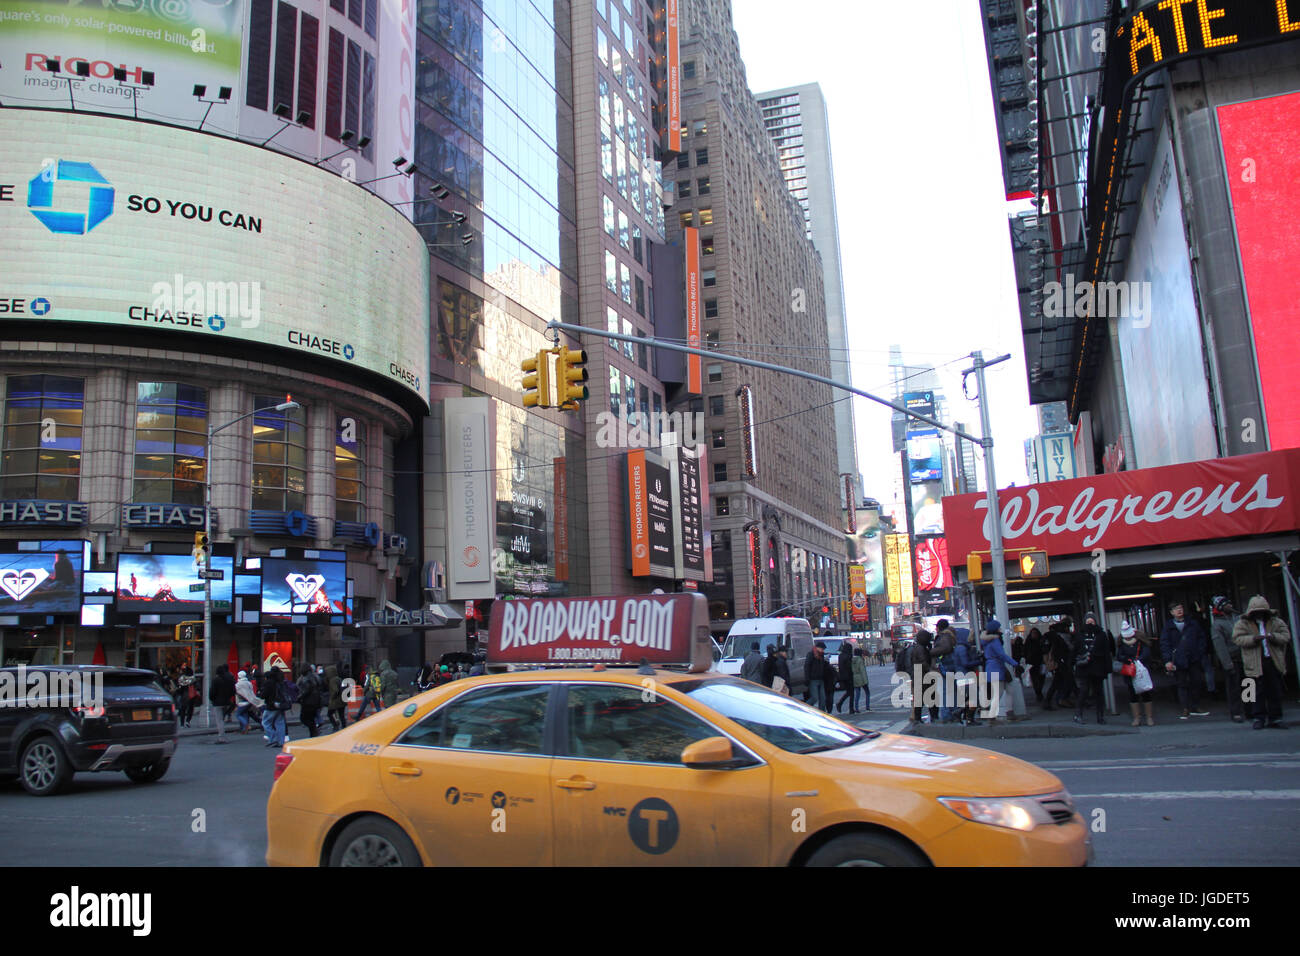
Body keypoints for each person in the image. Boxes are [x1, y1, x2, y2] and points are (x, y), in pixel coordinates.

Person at [1232, 595, 1290, 730]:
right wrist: (1253, 639)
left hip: (1272, 660)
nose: (1259, 614)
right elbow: (1237, 639)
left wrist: (1273, 637)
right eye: (1257, 611)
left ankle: (1276, 717)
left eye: (1262, 611)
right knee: (1255, 691)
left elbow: (1286, 636)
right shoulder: (1243, 623)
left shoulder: (1276, 622)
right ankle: (1258, 717)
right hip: (1253, 661)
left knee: (1274, 690)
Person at [1159, 602, 1211, 719]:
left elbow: (1201, 638)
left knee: (1196, 682)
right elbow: (1164, 644)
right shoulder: (1168, 627)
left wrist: (1199, 652)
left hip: (1193, 658)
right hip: (1178, 659)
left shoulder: (1193, 623)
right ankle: (1185, 708)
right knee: (1181, 684)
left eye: (1181, 608)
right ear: (1171, 612)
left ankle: (1195, 706)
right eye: (1176, 609)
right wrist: (1167, 660)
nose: (1179, 610)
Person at [980, 620, 1027, 722]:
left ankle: (1008, 714)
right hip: (997, 668)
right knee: (1000, 692)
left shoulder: (986, 641)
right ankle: (993, 716)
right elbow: (1002, 655)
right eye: (999, 627)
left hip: (993, 668)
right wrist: (1015, 664)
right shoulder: (995, 641)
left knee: (1007, 689)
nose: (1000, 629)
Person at [1210, 596, 1246, 723]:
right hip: (1233, 659)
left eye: (1230, 603)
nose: (1230, 605)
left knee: (1249, 684)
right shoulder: (1218, 625)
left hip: (1246, 657)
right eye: (1226, 604)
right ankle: (1236, 712)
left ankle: (1251, 708)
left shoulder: (1239, 618)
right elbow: (1220, 647)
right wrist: (1227, 663)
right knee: (1234, 687)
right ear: (1221, 608)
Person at [1072, 612, 1113, 725]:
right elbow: (1075, 651)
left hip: (1098, 667)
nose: (1090, 623)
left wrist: (1108, 668)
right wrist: (1071, 664)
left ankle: (1100, 716)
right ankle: (1078, 714)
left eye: (1092, 621)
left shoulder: (1101, 635)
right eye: (1088, 621)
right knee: (1084, 691)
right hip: (1084, 668)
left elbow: (1106, 652)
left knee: (1098, 692)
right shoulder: (1080, 635)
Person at [1116, 622, 1154, 726]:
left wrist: (1136, 661)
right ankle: (1137, 717)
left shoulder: (1140, 642)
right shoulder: (1122, 644)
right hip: (1130, 671)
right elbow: (1119, 656)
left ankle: (1148, 717)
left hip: (1140, 670)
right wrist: (1129, 660)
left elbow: (1146, 653)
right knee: (1133, 694)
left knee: (1145, 692)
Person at [953, 627, 983, 725]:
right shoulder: (962, 648)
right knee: (974, 699)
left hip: (961, 676)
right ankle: (962, 713)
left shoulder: (958, 648)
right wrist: (979, 661)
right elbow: (965, 663)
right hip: (966, 676)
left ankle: (967, 717)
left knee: (970, 698)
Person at [931, 619, 958, 722]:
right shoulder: (950, 635)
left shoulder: (944, 637)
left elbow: (944, 649)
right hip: (950, 666)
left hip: (945, 666)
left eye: (936, 626)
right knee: (951, 690)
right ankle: (954, 712)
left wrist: (932, 652)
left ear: (939, 627)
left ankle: (947, 715)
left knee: (945, 691)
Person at [909, 630, 938, 725]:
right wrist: (931, 670)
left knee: (920, 699)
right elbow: (923, 662)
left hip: (918, 675)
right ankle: (933, 717)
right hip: (923, 676)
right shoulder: (921, 649)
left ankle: (918, 718)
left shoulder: (918, 648)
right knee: (930, 697)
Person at [261, 667, 288, 747]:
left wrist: (260, 694)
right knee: (280, 723)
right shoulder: (281, 681)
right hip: (281, 704)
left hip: (271, 705)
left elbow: (264, 695)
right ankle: (281, 741)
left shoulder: (269, 682)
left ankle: (273, 738)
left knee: (265, 722)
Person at [209, 664, 236, 742]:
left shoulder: (215, 680)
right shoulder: (229, 679)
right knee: (222, 718)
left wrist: (212, 699)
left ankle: (221, 737)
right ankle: (222, 735)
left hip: (217, 702)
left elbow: (212, 692)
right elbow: (233, 691)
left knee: (219, 720)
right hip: (227, 701)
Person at [234, 670, 264, 734]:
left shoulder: (237, 685)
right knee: (247, 713)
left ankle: (246, 725)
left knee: (238, 714)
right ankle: (245, 728)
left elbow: (238, 693)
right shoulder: (249, 683)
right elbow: (251, 692)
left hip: (242, 702)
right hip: (250, 701)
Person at [296, 663, 322, 738]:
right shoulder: (315, 676)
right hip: (316, 701)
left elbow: (306, 690)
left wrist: (299, 697)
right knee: (311, 718)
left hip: (308, 701)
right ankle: (313, 733)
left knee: (304, 718)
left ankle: (314, 731)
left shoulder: (306, 678)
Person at [805, 642, 830, 712]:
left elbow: (823, 666)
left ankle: (822, 713)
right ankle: (804, 708)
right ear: (817, 648)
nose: (823, 650)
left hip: (820, 679)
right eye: (822, 649)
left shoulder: (821, 655)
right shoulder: (811, 655)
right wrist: (807, 678)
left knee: (823, 698)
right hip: (813, 679)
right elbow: (807, 666)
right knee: (814, 698)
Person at [835, 639, 857, 714]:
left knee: (849, 692)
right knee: (851, 693)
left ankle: (841, 704)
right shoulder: (848, 656)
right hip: (848, 676)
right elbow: (849, 667)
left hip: (842, 676)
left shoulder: (840, 656)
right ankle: (850, 708)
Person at [1024, 627, 1046, 702]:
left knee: (1041, 678)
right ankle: (1038, 693)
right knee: (1035, 678)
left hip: (1039, 662)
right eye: (1033, 633)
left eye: (1035, 633)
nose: (1034, 635)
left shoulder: (1040, 641)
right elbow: (1025, 651)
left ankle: (1039, 692)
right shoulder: (1029, 642)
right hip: (1032, 663)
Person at [325, 664, 347, 732]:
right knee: (341, 715)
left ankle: (335, 726)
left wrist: (331, 698)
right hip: (342, 700)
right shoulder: (339, 679)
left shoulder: (332, 680)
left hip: (335, 701)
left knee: (329, 714)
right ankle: (344, 727)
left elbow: (335, 690)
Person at [853, 643, 870, 712]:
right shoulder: (860, 660)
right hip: (862, 679)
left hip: (855, 678)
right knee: (867, 693)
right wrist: (866, 681)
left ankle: (856, 708)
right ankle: (867, 706)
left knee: (857, 694)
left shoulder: (852, 660)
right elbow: (862, 671)